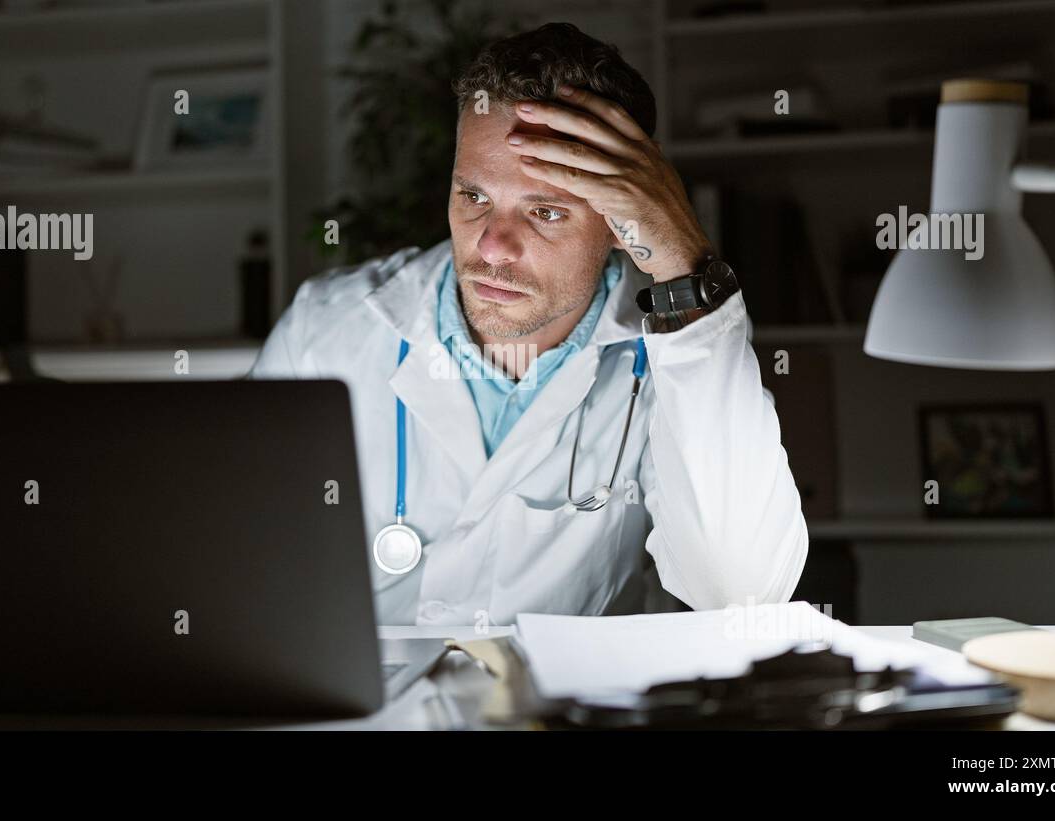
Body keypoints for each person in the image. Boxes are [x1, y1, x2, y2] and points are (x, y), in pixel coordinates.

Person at [254, 22, 808, 626]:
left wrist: (682, 264)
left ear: (621, 223)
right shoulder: (325, 329)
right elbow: (237, 546)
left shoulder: (674, 353)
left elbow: (741, 591)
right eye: (474, 197)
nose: (492, 247)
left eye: (544, 212)